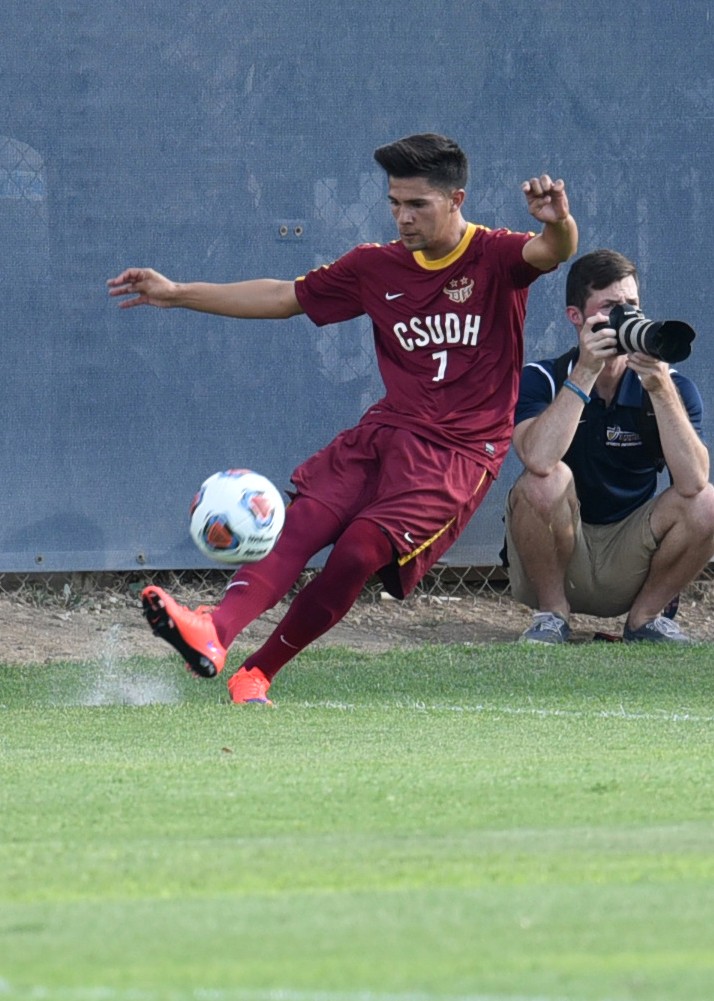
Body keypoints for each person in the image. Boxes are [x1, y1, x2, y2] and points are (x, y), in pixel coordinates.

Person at [108, 132, 578, 702]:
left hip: (460, 453)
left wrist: (557, 223)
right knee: (299, 522)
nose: (402, 218)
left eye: (417, 205)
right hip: (386, 431)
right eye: (394, 204)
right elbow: (283, 296)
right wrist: (178, 292)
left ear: (456, 200)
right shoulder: (375, 267)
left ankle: (259, 671)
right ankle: (213, 632)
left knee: (357, 550)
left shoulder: (495, 254)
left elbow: (550, 252)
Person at [504, 247, 714, 644]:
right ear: (576, 316)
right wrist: (585, 371)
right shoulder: (543, 378)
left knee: (708, 501)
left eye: (632, 305)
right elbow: (538, 458)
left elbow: (693, 482)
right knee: (544, 479)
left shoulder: (673, 385)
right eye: (612, 307)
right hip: (557, 555)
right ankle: (552, 616)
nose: (626, 317)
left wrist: (659, 388)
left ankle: (646, 619)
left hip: (630, 556)